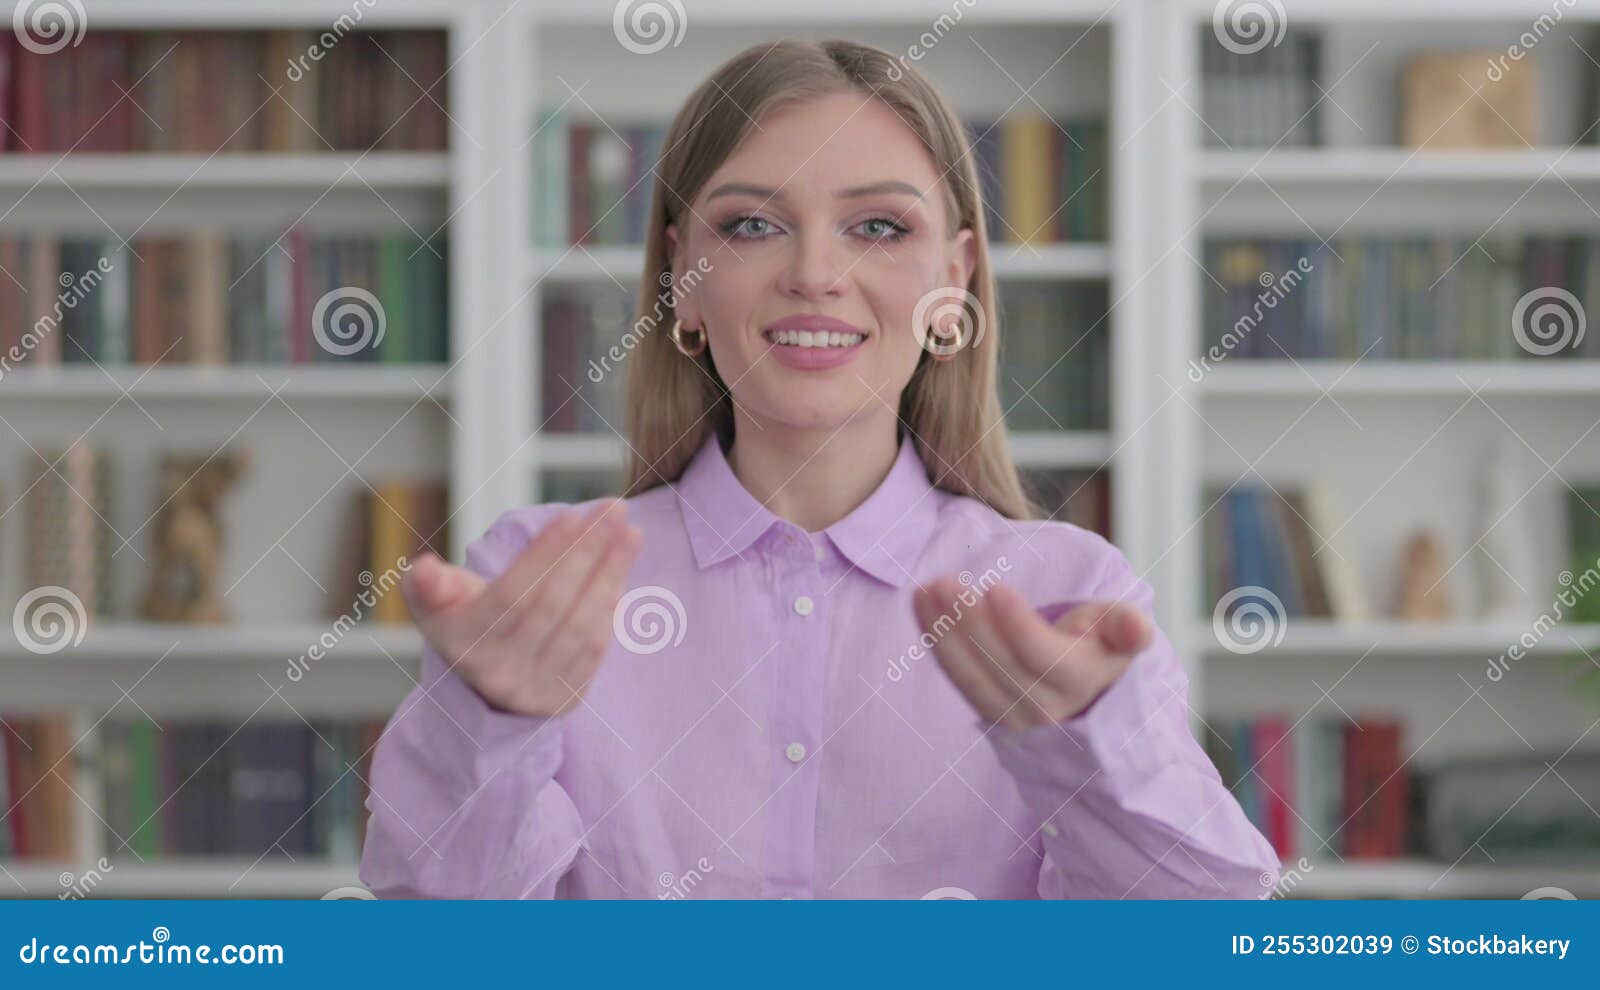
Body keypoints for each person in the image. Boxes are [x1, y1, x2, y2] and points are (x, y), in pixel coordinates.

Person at [359, 38, 1277, 899]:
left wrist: (1087, 758)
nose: (815, 273)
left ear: (951, 283)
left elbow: (1210, 941)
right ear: (682, 273)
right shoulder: (540, 587)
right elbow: (438, 934)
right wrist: (488, 729)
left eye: (877, 225)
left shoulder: (1063, 593)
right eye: (752, 224)